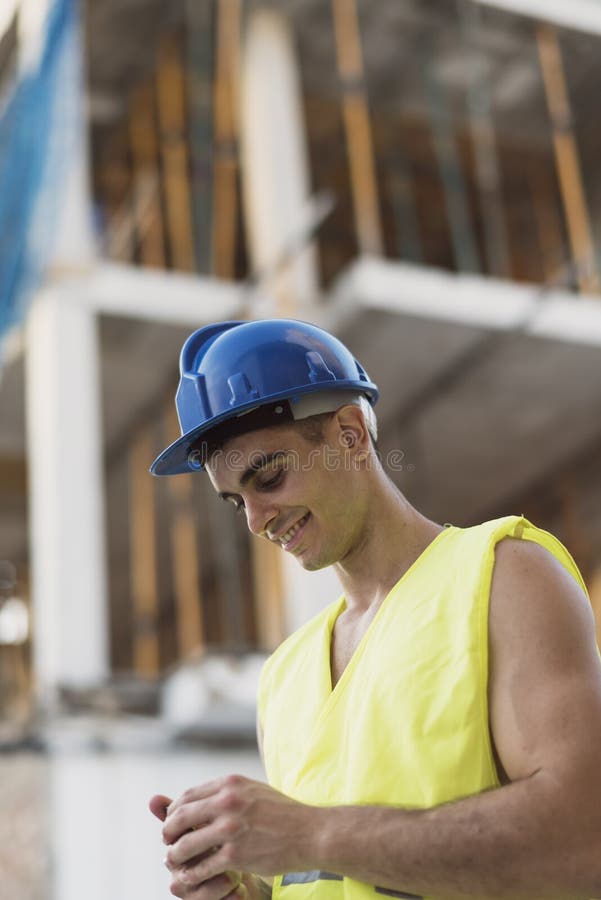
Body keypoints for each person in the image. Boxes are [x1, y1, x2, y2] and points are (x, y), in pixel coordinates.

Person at [148, 319, 601, 900]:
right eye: (237, 501)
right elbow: (337, 876)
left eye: (269, 477)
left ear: (350, 435)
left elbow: (581, 843)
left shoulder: (503, 577)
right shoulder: (284, 676)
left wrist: (310, 834)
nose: (256, 519)